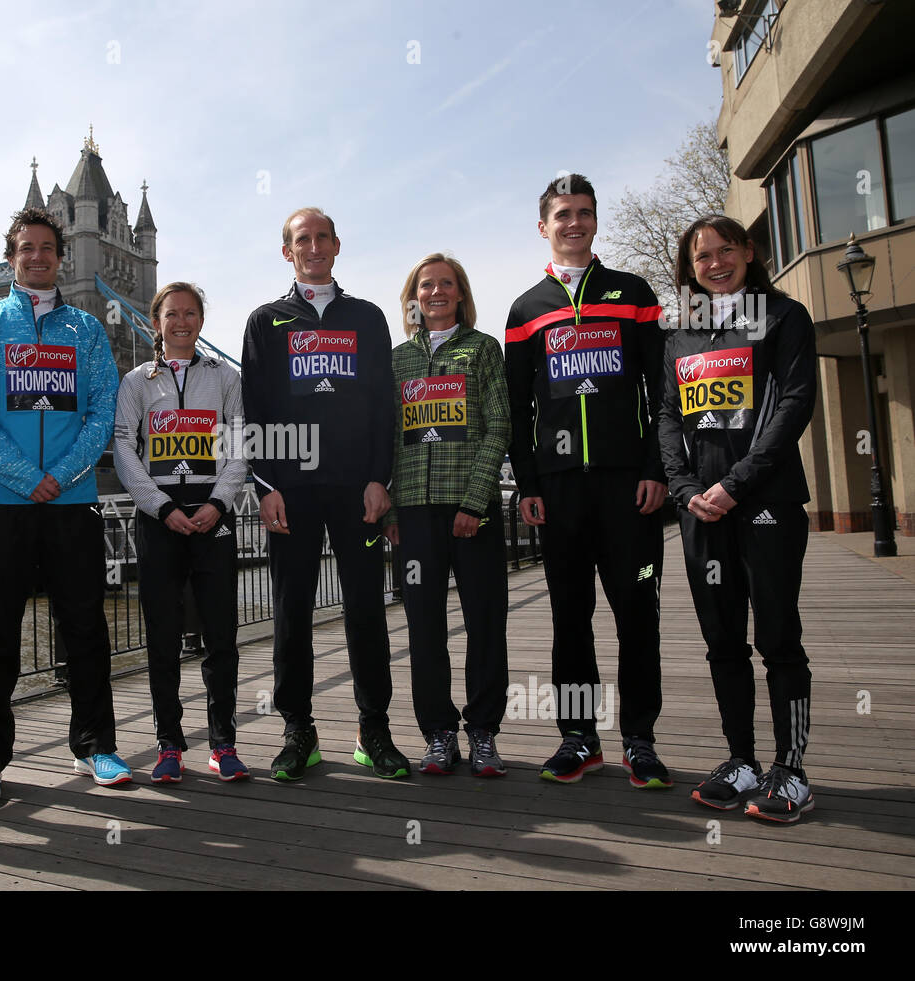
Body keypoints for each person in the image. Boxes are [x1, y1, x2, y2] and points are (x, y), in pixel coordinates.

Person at [504, 174, 672, 788]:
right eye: (561, 215)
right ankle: (579, 738)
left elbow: (665, 393)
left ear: (595, 221)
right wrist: (528, 485)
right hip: (559, 487)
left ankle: (640, 739)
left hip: (629, 485)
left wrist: (657, 469)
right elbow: (517, 408)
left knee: (636, 613)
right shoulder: (525, 311)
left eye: (584, 213)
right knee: (569, 617)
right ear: (543, 227)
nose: (573, 223)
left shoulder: (634, 293)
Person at [0, 206, 127, 801]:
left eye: (47, 248)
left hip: (72, 500)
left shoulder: (87, 329)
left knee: (84, 627)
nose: (37, 256)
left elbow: (103, 410)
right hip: (3, 501)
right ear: (11, 257)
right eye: (26, 248)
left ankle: (96, 747)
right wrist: (28, 477)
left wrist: (62, 472)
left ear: (62, 256)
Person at [241, 206, 410, 781]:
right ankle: (299, 731)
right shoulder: (266, 322)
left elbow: (384, 405)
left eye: (321, 237)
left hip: (355, 490)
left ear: (337, 244)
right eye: (300, 240)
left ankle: (374, 730)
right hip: (291, 493)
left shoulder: (367, 317)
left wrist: (378, 478)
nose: (313, 247)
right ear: (287, 252)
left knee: (366, 610)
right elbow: (256, 413)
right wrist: (265, 486)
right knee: (292, 613)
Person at [660, 215, 817, 822]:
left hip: (767, 503)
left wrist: (736, 484)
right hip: (702, 511)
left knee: (777, 637)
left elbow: (794, 405)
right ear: (689, 266)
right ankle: (741, 759)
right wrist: (684, 487)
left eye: (727, 250)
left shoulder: (784, 318)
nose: (716, 263)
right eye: (703, 257)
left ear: (750, 252)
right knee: (722, 642)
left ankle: (792, 769)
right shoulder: (682, 333)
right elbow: (669, 418)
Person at [113, 283, 250, 782]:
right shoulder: (135, 382)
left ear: (201, 321)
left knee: (221, 637)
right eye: (172, 314)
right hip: (160, 521)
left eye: (191, 313)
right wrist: (160, 505)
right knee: (163, 639)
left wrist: (219, 502)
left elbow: (239, 444)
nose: (182, 322)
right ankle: (168, 745)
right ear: (156, 322)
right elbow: (124, 448)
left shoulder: (227, 378)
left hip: (213, 518)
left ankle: (224, 743)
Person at [384, 254, 512, 775]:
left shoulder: (483, 350)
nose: (435, 292)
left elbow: (498, 426)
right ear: (413, 297)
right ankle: (438, 733)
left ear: (461, 294)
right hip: (413, 515)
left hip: (471, 512)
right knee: (423, 629)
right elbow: (387, 439)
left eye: (446, 284)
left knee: (485, 622)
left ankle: (483, 732)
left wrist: (474, 501)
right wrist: (390, 507)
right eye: (425, 285)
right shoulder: (395, 361)